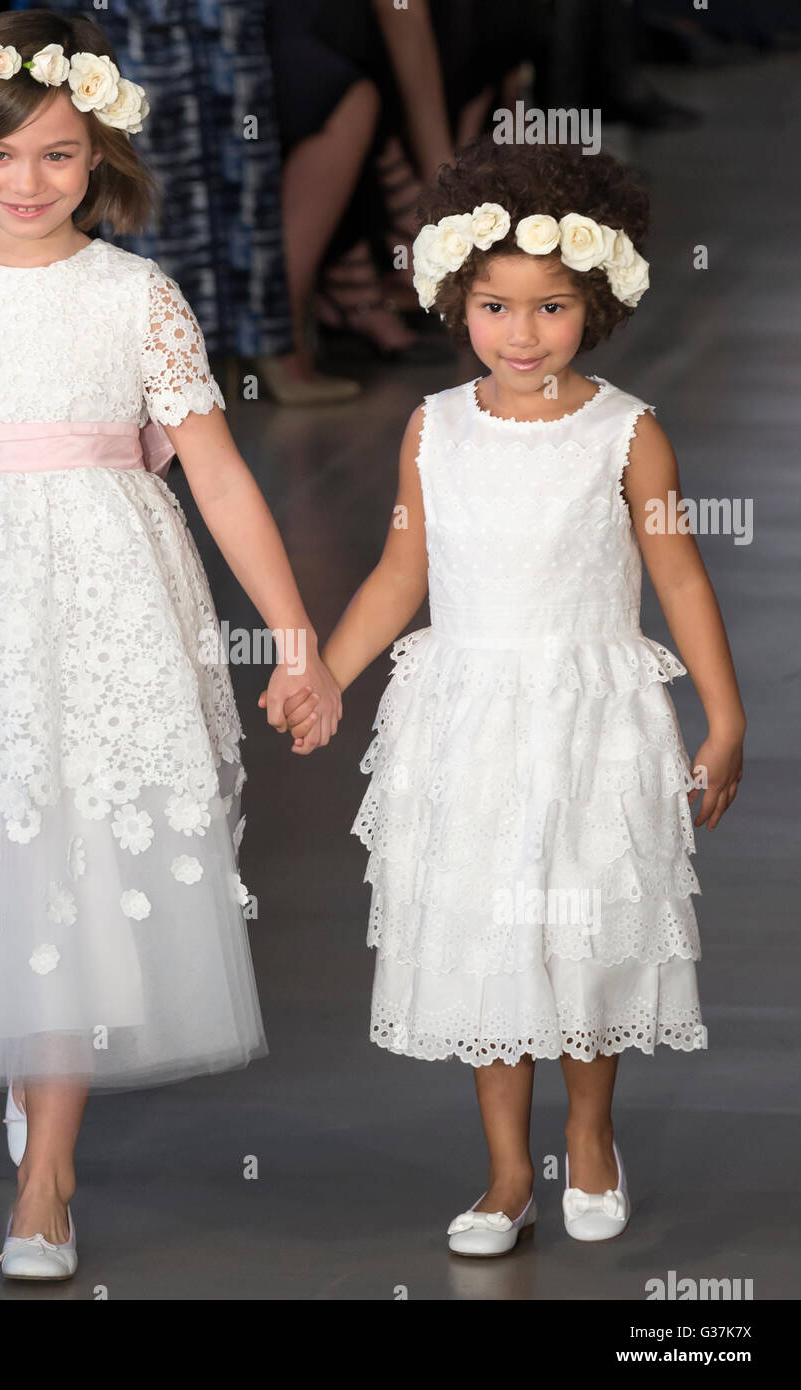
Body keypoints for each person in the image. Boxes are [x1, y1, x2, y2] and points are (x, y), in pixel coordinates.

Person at [0, 8, 342, 1281]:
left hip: (106, 597)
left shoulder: (136, 296)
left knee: (83, 838)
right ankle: (30, 1101)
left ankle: (46, 1172)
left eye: (55, 157)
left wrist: (292, 635)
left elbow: (218, 472)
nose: (24, 184)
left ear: (99, 159)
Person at [278, 139, 745, 1255]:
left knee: (583, 932)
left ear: (598, 303)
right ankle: (502, 1175)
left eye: (550, 307)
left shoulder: (626, 433)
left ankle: (587, 1136)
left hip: (590, 720)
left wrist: (722, 719)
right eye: (495, 305)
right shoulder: (432, 427)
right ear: (455, 297)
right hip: (470, 721)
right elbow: (401, 570)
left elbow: (677, 573)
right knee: (490, 939)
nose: (522, 333)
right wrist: (326, 671)